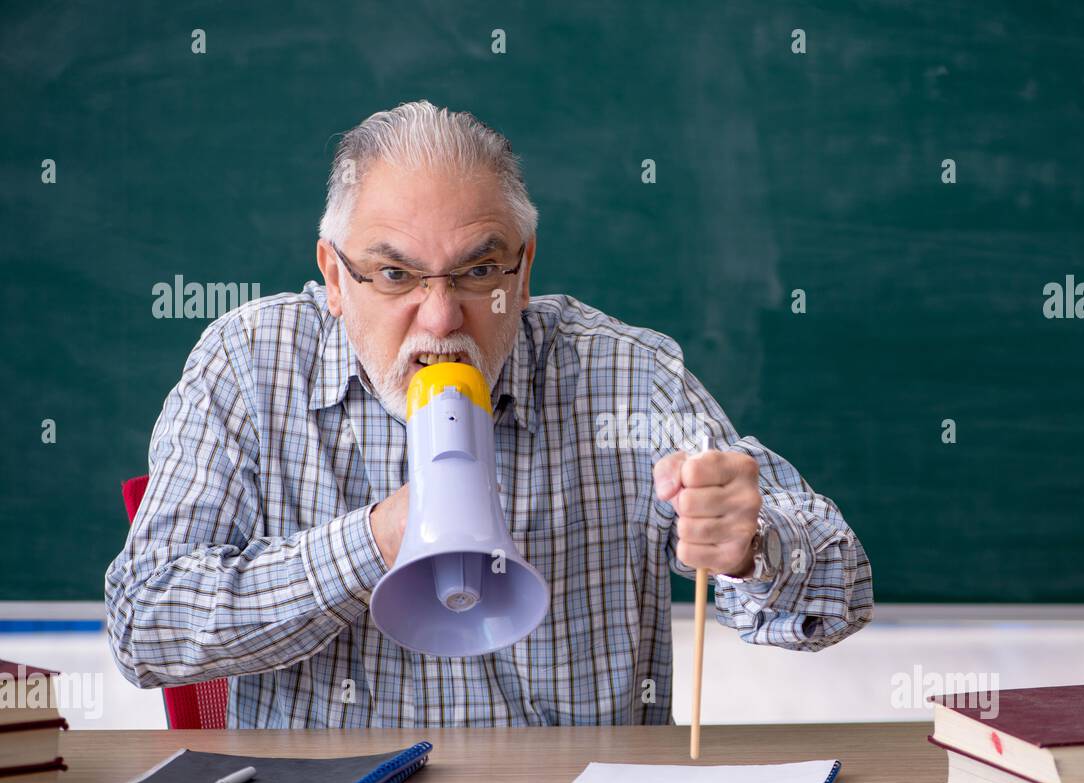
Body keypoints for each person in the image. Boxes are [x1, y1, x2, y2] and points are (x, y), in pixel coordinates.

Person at [104, 101, 873, 728]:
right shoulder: (248, 363)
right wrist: (378, 538)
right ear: (333, 277)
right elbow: (143, 627)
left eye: (478, 270)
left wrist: (753, 545)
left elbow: (841, 591)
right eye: (394, 274)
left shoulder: (623, 374)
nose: (441, 319)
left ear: (524, 267)